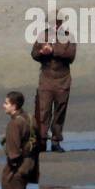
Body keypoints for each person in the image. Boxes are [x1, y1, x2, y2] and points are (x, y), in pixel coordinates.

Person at [31, 12, 75, 152]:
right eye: (51, 22)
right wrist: (41, 52)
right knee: (43, 112)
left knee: (59, 112)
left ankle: (56, 140)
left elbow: (71, 55)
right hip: (46, 79)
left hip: (63, 80)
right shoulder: (42, 36)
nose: (54, 25)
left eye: (56, 22)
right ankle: (42, 140)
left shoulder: (68, 36)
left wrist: (53, 50)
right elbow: (33, 54)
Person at [0, 91, 36, 189]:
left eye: (6, 103)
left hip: (17, 167)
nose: (3, 105)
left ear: (14, 106)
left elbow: (13, 153)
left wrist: (11, 168)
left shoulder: (15, 124)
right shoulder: (28, 118)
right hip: (29, 164)